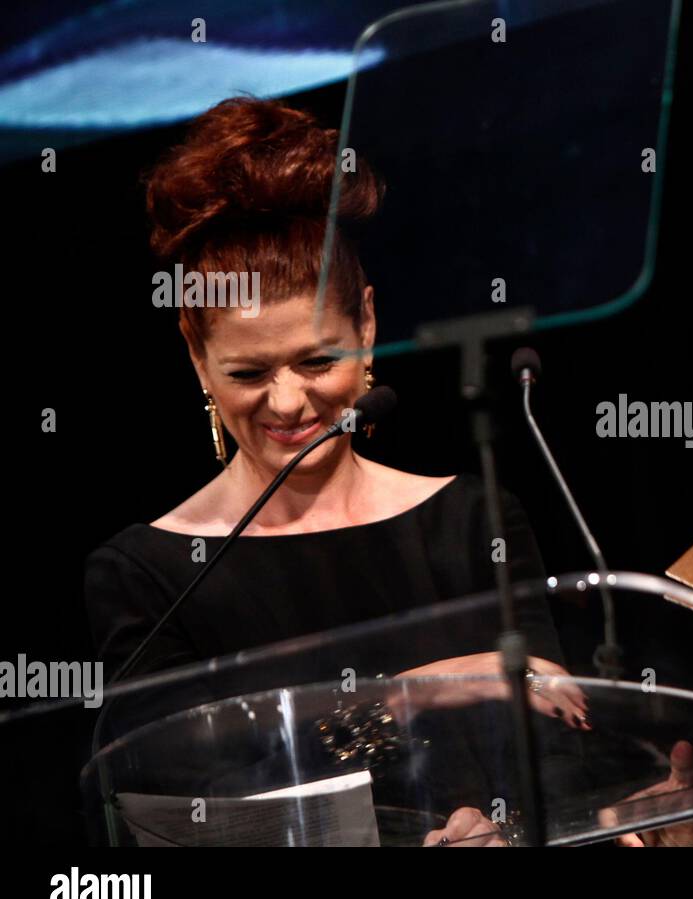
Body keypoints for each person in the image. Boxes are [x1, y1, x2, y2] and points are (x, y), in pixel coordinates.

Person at [82, 97, 586, 844]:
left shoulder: (470, 519)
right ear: (198, 358)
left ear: (369, 326)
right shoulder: (150, 576)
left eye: (318, 360)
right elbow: (180, 793)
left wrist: (501, 833)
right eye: (249, 372)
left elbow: (560, 743)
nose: (288, 401)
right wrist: (418, 692)